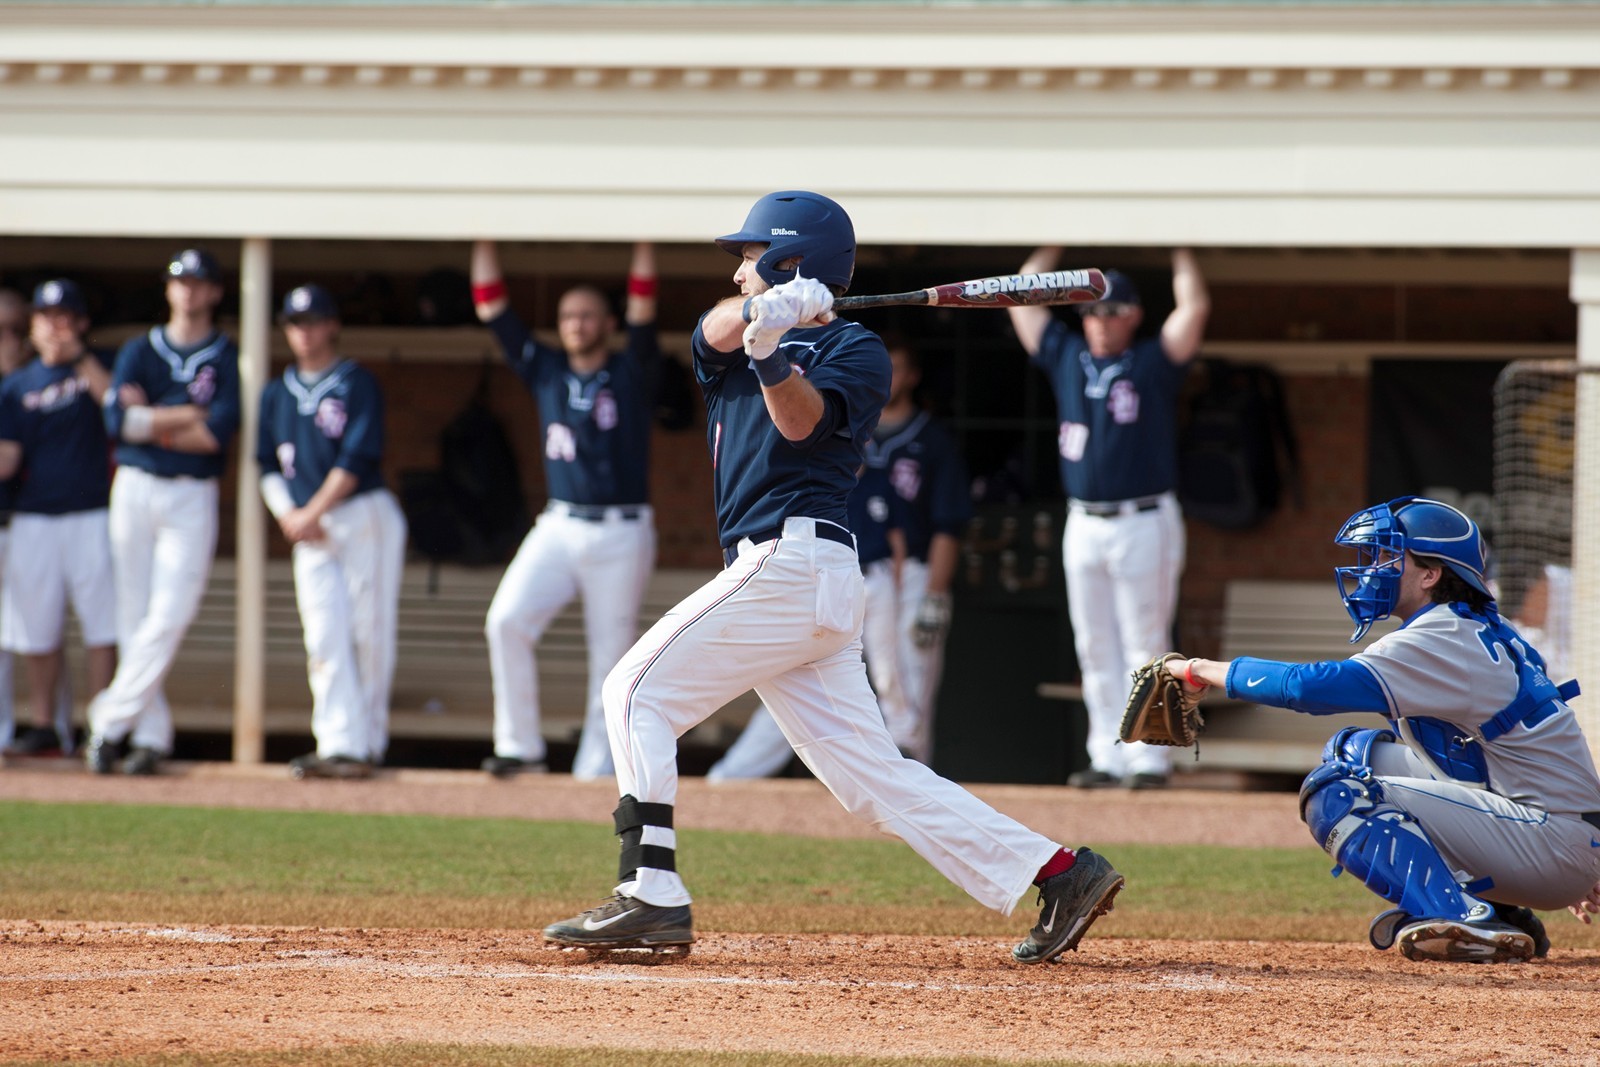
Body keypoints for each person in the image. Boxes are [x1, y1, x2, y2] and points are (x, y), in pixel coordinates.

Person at [543, 190, 1125, 965]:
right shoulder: (734, 327)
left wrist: (772, 350)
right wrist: (768, 312)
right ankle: (1061, 872)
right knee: (873, 779)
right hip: (796, 580)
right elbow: (713, 329)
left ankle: (650, 891)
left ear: (795, 257)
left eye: (755, 257)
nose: (742, 271)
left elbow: (802, 423)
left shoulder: (860, 351)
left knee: (634, 693)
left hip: (793, 561)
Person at [1179, 496, 1600, 963]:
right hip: (1556, 836)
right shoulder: (1470, 627)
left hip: (1552, 842)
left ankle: (1466, 919)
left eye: (1389, 557)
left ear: (1430, 574)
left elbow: (1307, 688)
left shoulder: (1443, 635)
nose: (1373, 569)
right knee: (1355, 752)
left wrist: (1199, 670)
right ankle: (1501, 912)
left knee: (1336, 793)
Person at [706, 339, 969, 777]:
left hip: (898, 574)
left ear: (912, 376)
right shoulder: (835, 421)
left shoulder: (932, 441)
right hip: (824, 570)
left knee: (902, 676)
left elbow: (944, 526)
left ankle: (913, 769)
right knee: (797, 676)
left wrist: (934, 594)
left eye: (899, 368)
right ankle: (736, 777)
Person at [1008, 248, 1209, 790]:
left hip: (1143, 517)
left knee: (1145, 640)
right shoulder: (1068, 354)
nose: (1099, 322)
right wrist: (1059, 239)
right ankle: (1107, 753)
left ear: (1133, 315)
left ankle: (1151, 757)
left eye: (1111, 311)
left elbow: (1193, 308)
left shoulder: (1151, 361)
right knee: (1093, 643)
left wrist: (1181, 249)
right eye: (1092, 312)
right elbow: (1024, 296)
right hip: (1084, 520)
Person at [469, 241, 660, 781]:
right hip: (558, 523)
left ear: (606, 322)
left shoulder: (631, 370)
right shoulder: (546, 367)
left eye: (587, 315)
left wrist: (645, 238)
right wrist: (484, 234)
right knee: (506, 620)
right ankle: (520, 746)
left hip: (622, 530)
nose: (576, 324)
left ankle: (593, 773)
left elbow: (644, 305)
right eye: (567, 316)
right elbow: (492, 307)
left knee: (611, 656)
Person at [85, 249, 240, 775]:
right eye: (181, 281)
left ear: (216, 292)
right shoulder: (138, 349)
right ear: (168, 288)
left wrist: (149, 418)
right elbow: (118, 425)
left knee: (171, 613)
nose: (190, 291)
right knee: (134, 612)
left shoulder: (223, 353)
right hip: (134, 485)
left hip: (190, 493)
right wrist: (182, 416)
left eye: (200, 282)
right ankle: (147, 736)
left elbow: (215, 434)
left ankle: (108, 721)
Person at [257, 285, 407, 779]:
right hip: (308, 524)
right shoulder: (276, 392)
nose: (304, 331)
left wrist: (312, 510)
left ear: (331, 325)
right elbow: (265, 465)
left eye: (313, 321)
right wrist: (290, 514)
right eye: (295, 322)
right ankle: (337, 742)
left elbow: (358, 457)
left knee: (367, 631)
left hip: (361, 513)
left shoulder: (354, 381)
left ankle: (366, 743)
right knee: (323, 634)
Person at [0, 280, 117, 756]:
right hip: (35, 517)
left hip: (92, 513)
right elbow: (7, 459)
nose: (54, 325)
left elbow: (117, 406)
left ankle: (101, 724)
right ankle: (46, 725)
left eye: (64, 316)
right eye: (46, 317)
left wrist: (79, 356)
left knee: (101, 627)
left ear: (81, 322)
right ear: (33, 325)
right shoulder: (16, 386)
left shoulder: (99, 365)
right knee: (37, 628)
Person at [0, 288, 74, 754]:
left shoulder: (27, 385)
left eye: (12, 330)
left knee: (36, 633)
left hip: (23, 521)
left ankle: (56, 732)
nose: (6, 340)